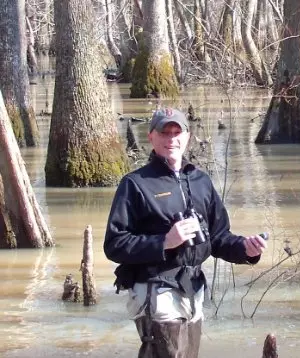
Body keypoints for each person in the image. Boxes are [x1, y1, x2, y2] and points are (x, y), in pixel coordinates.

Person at [104, 108, 268, 358]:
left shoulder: (201, 181)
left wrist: (246, 250)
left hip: (193, 289)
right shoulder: (135, 184)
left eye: (177, 132)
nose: (172, 139)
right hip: (155, 289)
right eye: (164, 133)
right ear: (151, 137)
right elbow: (115, 244)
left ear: (187, 137)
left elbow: (219, 238)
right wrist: (165, 242)